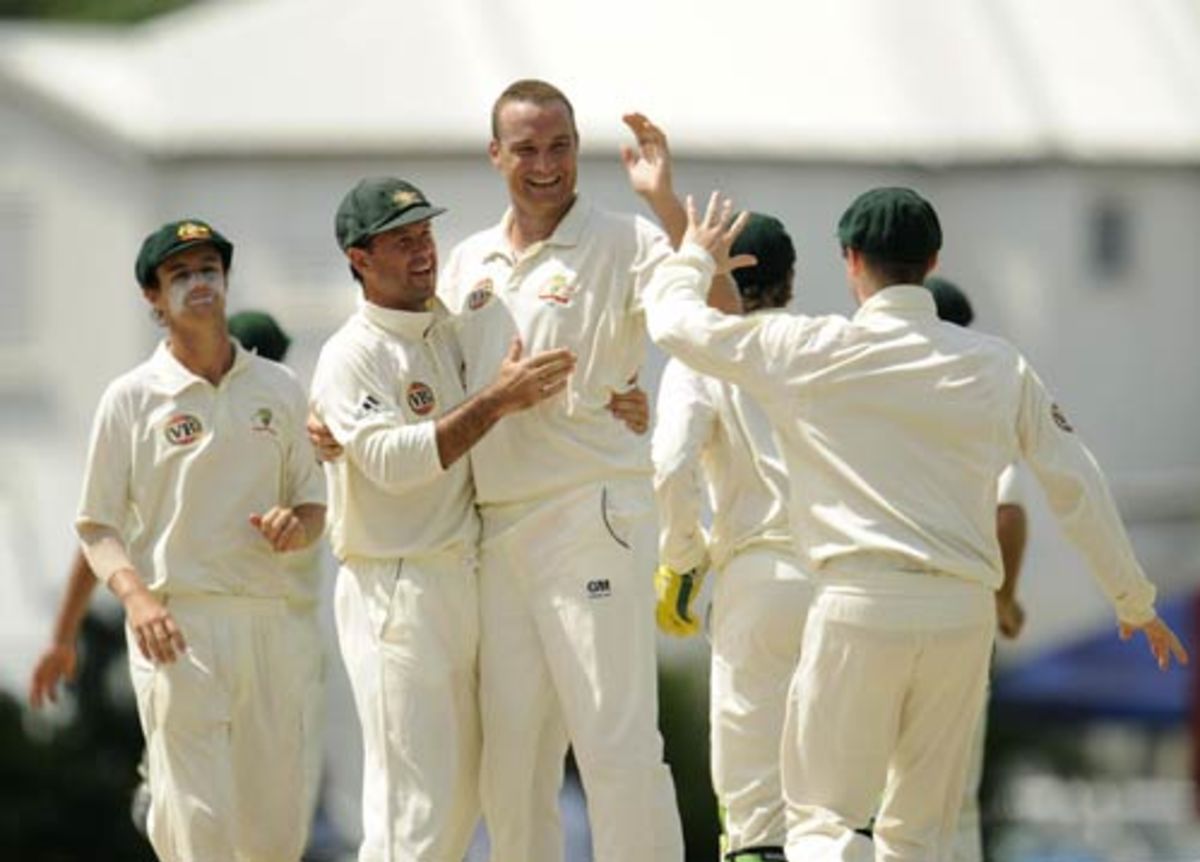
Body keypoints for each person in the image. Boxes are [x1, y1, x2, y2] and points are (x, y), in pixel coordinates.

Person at [640, 189, 1188, 861]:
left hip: (859, 605)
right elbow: (1074, 480)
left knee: (820, 823)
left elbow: (674, 328)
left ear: (850, 261)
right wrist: (1133, 598)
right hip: (962, 616)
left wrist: (693, 258)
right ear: (932, 261)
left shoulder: (814, 346)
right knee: (918, 837)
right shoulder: (998, 363)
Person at [436, 79, 690, 861]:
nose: (545, 166)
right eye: (527, 149)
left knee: (614, 744)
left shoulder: (626, 240)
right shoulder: (468, 261)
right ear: (495, 156)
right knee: (510, 769)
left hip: (591, 515)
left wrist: (666, 203)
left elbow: (712, 307)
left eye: (561, 147)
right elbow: (427, 377)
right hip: (497, 528)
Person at [308, 177, 578, 861]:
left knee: (457, 808)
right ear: (359, 258)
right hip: (394, 590)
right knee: (413, 815)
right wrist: (495, 402)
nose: (423, 251)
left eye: (425, 234)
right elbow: (396, 465)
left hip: (461, 580)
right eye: (401, 242)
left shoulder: (444, 331)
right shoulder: (352, 354)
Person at [75, 219, 329, 861]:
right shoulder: (131, 399)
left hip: (271, 623)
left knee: (274, 832)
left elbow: (314, 503)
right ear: (154, 299)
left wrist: (294, 524)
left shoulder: (280, 387)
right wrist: (137, 599)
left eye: (208, 270)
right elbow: (97, 526)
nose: (199, 284)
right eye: (180, 275)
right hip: (179, 626)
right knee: (198, 826)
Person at [651, 213, 811, 862]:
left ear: (722, 273)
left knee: (753, 819)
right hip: (848, 580)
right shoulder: (831, 343)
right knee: (837, 809)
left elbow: (669, 464)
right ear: (791, 279)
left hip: (757, 579)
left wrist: (683, 562)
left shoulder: (704, 358)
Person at [924, 276, 1028, 861]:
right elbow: (1008, 513)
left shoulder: (865, 385)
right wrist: (1004, 601)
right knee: (952, 795)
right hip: (959, 613)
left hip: (865, 611)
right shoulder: (982, 397)